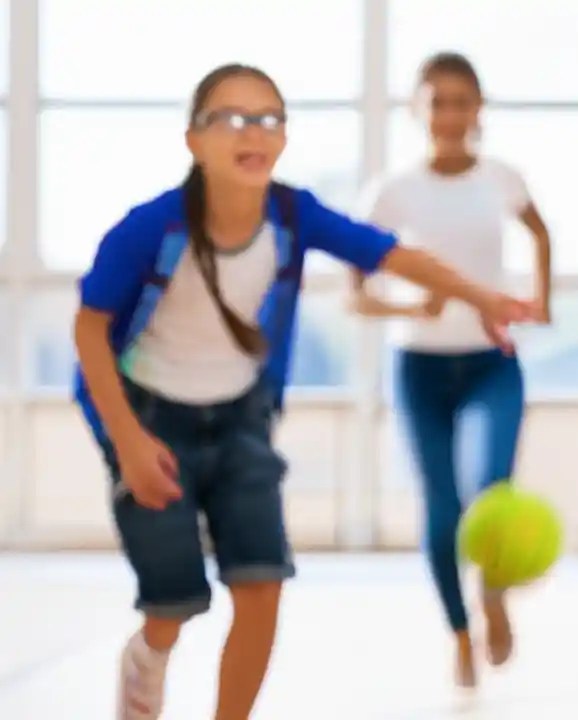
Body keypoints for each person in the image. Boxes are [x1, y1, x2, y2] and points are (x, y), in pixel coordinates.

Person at [73, 63, 533, 720]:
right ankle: (148, 655)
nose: (252, 131)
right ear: (194, 140)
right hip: (152, 421)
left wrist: (483, 297)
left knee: (261, 584)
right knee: (172, 604)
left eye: (268, 118)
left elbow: (391, 255)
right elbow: (89, 329)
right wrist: (128, 442)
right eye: (230, 117)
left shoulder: (293, 213)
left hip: (240, 420)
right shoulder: (151, 228)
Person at [352, 51, 552, 690]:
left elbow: (540, 232)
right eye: (436, 101)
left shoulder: (501, 177)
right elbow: (357, 293)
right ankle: (460, 631)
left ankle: (493, 592)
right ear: (418, 109)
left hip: (492, 364)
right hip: (421, 371)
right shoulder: (393, 191)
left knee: (489, 490)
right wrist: (412, 304)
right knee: (441, 508)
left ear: (479, 109)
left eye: (462, 100)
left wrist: (542, 297)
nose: (450, 114)